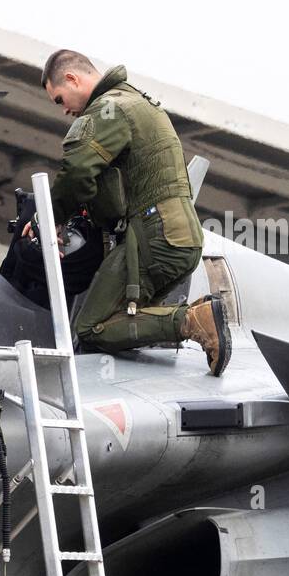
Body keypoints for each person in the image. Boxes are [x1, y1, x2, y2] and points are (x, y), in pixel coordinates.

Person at [37, 49, 231, 375]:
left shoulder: (109, 109)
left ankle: (193, 320)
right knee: (127, 321)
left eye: (60, 99)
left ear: (72, 78)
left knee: (92, 327)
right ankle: (193, 320)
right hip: (175, 234)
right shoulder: (135, 102)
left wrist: (49, 217)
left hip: (154, 238)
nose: (65, 110)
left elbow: (78, 172)